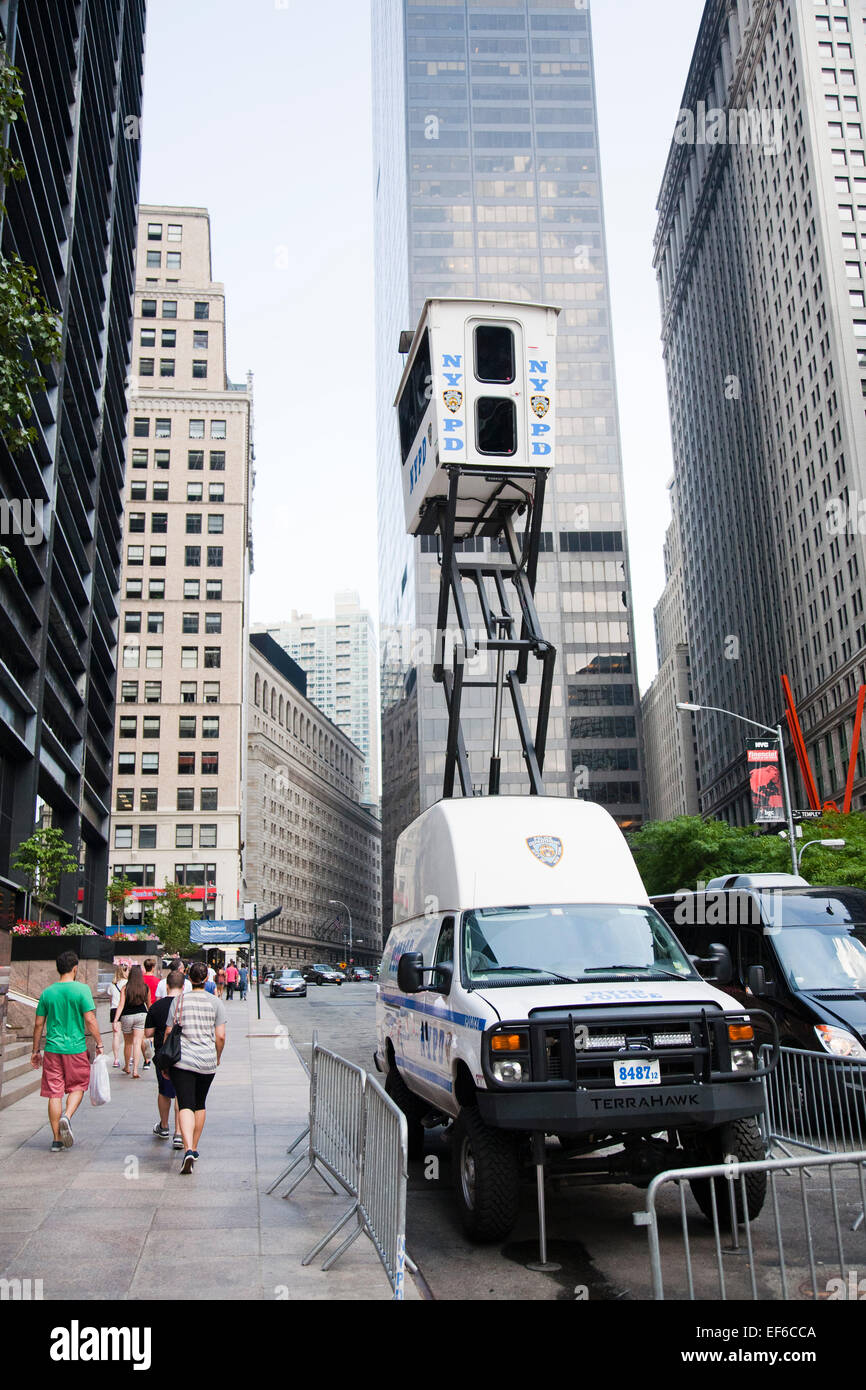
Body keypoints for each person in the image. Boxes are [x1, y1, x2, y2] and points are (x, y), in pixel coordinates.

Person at [31, 950, 104, 1151]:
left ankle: (56, 1140)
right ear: (75, 968)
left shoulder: (47, 992)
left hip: (53, 1049)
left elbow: (38, 1024)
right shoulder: (82, 990)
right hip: (76, 1048)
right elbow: (90, 1019)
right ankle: (67, 1115)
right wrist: (99, 1043)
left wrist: (36, 1050)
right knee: (78, 1086)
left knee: (54, 1093)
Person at [164, 961, 226, 1175]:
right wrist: (217, 1056)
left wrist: (166, 1061)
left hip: (182, 1061)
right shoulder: (216, 1002)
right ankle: (195, 1148)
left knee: (185, 1105)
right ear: (207, 979)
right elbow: (220, 1036)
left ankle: (187, 1148)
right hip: (207, 1060)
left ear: (189, 978)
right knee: (199, 1103)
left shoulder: (179, 1001)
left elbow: (168, 1032)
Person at [145, 969, 185, 1148]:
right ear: (183, 987)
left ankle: (164, 1126)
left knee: (164, 1091)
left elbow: (148, 1033)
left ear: (166, 986)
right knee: (180, 1093)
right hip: (183, 1054)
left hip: (163, 1055)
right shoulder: (185, 1005)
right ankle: (178, 1133)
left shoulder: (156, 1006)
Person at [114, 963, 149, 1078]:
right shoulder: (145, 987)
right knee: (137, 1042)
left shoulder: (125, 988)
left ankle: (127, 1067)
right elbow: (149, 1005)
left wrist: (115, 1020)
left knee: (128, 1043)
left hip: (127, 1016)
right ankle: (135, 1070)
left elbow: (121, 1005)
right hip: (141, 1015)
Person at [108, 964, 128, 1067]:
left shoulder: (112, 984)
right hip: (125, 1009)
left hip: (114, 1009)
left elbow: (111, 999)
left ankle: (116, 1059)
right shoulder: (127, 983)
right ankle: (130, 1058)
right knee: (128, 1036)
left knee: (116, 1035)